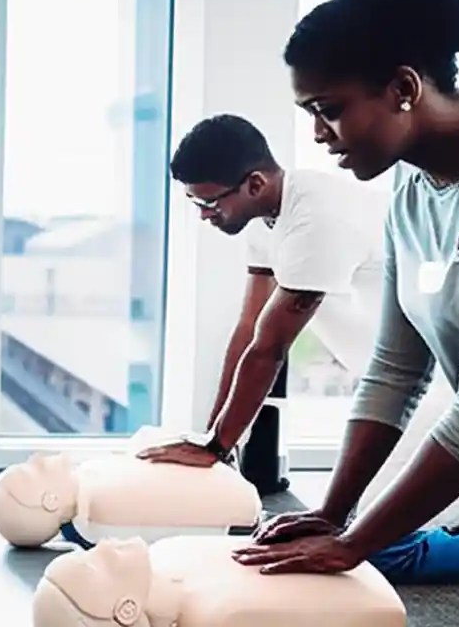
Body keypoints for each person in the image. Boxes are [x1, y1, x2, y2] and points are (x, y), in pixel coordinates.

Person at [234, 0, 459, 584]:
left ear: (403, 89)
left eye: (329, 108)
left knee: (388, 552)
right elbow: (396, 368)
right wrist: (332, 513)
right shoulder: (411, 190)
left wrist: (352, 545)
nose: (320, 133)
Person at [136, 115, 389, 478]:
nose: (205, 215)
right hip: (385, 381)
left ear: (255, 183)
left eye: (210, 203)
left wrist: (218, 446)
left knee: (378, 526)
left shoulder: (316, 219)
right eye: (196, 204)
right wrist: (212, 439)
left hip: (438, 388)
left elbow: (270, 347)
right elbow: (249, 327)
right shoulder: (264, 217)